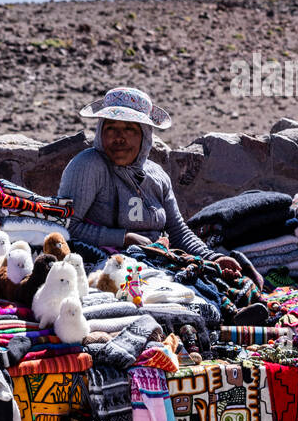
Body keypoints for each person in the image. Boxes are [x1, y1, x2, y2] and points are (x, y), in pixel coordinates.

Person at [58, 86, 251, 280]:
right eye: (110, 128)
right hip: (105, 269)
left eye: (129, 129)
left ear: (145, 135)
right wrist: (123, 238)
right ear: (100, 132)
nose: (118, 138)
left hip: (158, 264)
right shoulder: (88, 166)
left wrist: (212, 257)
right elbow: (66, 226)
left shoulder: (156, 175)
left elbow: (177, 231)